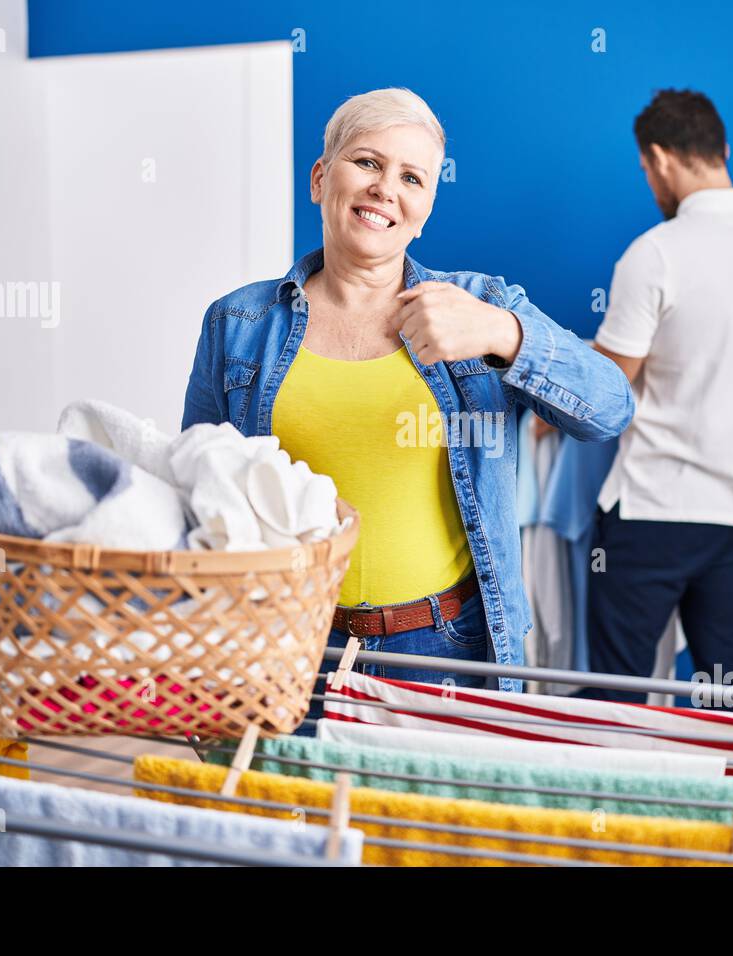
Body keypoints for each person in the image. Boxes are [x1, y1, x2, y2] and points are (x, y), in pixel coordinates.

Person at [182, 88, 633, 709]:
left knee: (435, 813)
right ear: (320, 178)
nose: (384, 189)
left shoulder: (479, 306)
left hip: (449, 649)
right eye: (367, 163)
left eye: (411, 177)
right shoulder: (237, 322)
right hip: (287, 643)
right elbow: (195, 489)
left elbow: (611, 408)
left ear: (423, 213)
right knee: (294, 806)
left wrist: (505, 336)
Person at [582, 89, 733, 707]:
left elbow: (602, 390)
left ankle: (614, 803)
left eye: (645, 170)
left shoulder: (655, 254)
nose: (650, 184)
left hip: (651, 511)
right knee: (728, 684)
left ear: (661, 158)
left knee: (619, 689)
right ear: (722, 152)